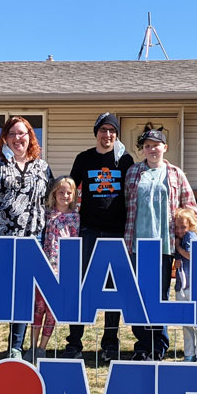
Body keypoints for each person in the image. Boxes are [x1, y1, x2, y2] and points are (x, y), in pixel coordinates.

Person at [0, 116, 53, 366]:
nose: (18, 138)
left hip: (29, 242)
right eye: (13, 133)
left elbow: (49, 204)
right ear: (5, 137)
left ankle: (15, 347)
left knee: (22, 295)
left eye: (23, 133)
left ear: (30, 137)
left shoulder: (41, 167)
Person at [124, 123, 197, 361]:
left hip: (164, 246)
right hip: (136, 244)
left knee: (159, 296)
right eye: (147, 146)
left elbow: (190, 206)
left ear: (164, 147)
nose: (152, 150)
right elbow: (126, 206)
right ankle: (142, 345)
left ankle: (158, 345)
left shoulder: (176, 173)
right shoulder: (134, 173)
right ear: (143, 150)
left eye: (156, 145)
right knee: (138, 296)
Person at [62, 112, 135, 362]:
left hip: (116, 232)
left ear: (116, 134)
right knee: (81, 286)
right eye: (103, 130)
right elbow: (70, 190)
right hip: (88, 230)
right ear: (96, 133)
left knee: (114, 290)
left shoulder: (125, 160)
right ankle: (74, 342)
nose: (107, 135)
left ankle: (110, 343)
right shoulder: (84, 159)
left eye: (112, 131)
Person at [24, 176, 80, 363]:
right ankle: (32, 346)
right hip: (45, 266)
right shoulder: (46, 214)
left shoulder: (77, 216)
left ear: (74, 195)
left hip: (64, 269)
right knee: (38, 307)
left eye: (68, 193)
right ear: (54, 194)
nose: (65, 196)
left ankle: (42, 347)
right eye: (61, 192)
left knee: (53, 310)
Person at [173, 207, 197, 362]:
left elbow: (191, 255)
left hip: (194, 286)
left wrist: (178, 248)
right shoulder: (178, 238)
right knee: (186, 322)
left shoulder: (190, 236)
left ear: (191, 226)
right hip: (182, 286)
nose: (180, 230)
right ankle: (189, 353)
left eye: (183, 227)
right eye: (177, 227)